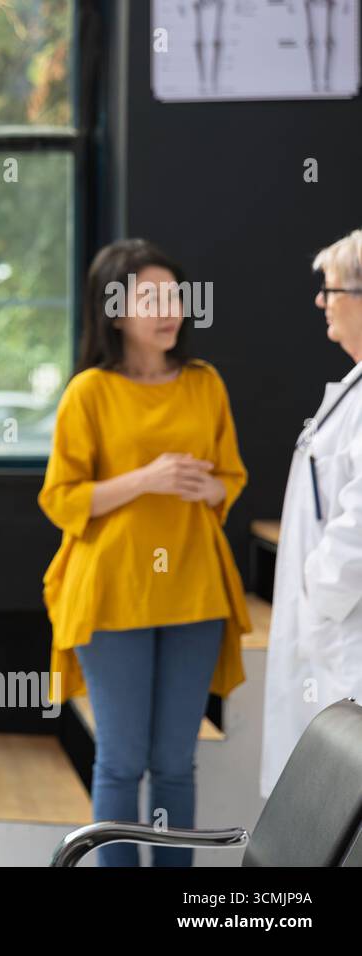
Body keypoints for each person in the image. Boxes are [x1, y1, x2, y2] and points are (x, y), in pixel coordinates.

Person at [38, 238, 250, 866]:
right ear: (114, 312)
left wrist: (209, 485)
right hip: (112, 594)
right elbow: (62, 499)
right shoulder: (89, 392)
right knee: (122, 761)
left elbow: (229, 481)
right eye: (149, 297)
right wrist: (145, 479)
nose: (170, 309)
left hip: (194, 590)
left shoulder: (206, 384)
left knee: (175, 766)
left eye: (175, 296)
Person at [261, 229, 362, 797]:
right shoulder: (354, 386)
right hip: (335, 636)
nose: (322, 301)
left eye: (332, 289)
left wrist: (319, 595)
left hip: (348, 639)